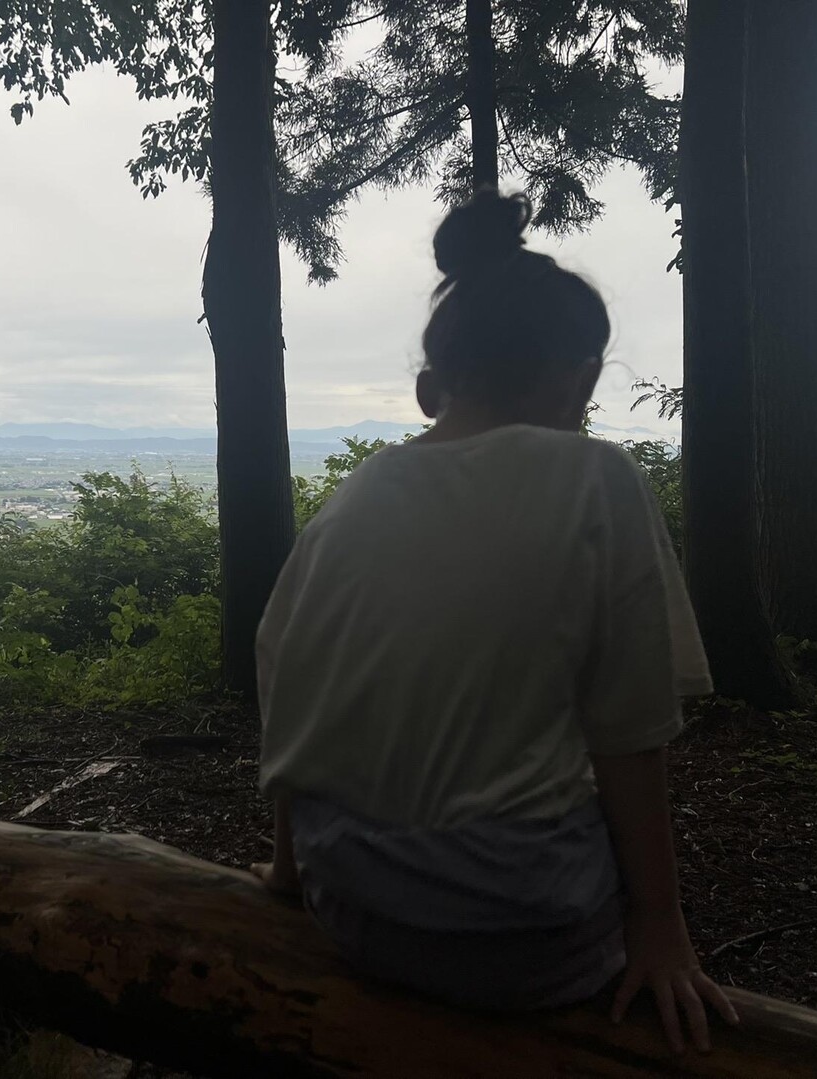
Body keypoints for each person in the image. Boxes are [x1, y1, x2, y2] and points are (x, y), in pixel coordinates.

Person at [250, 190, 738, 1055]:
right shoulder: (597, 479)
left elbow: (290, 687)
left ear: (429, 387)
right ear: (583, 380)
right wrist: (659, 928)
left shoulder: (349, 502)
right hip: (518, 935)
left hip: (349, 905)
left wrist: (290, 876)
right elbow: (630, 731)